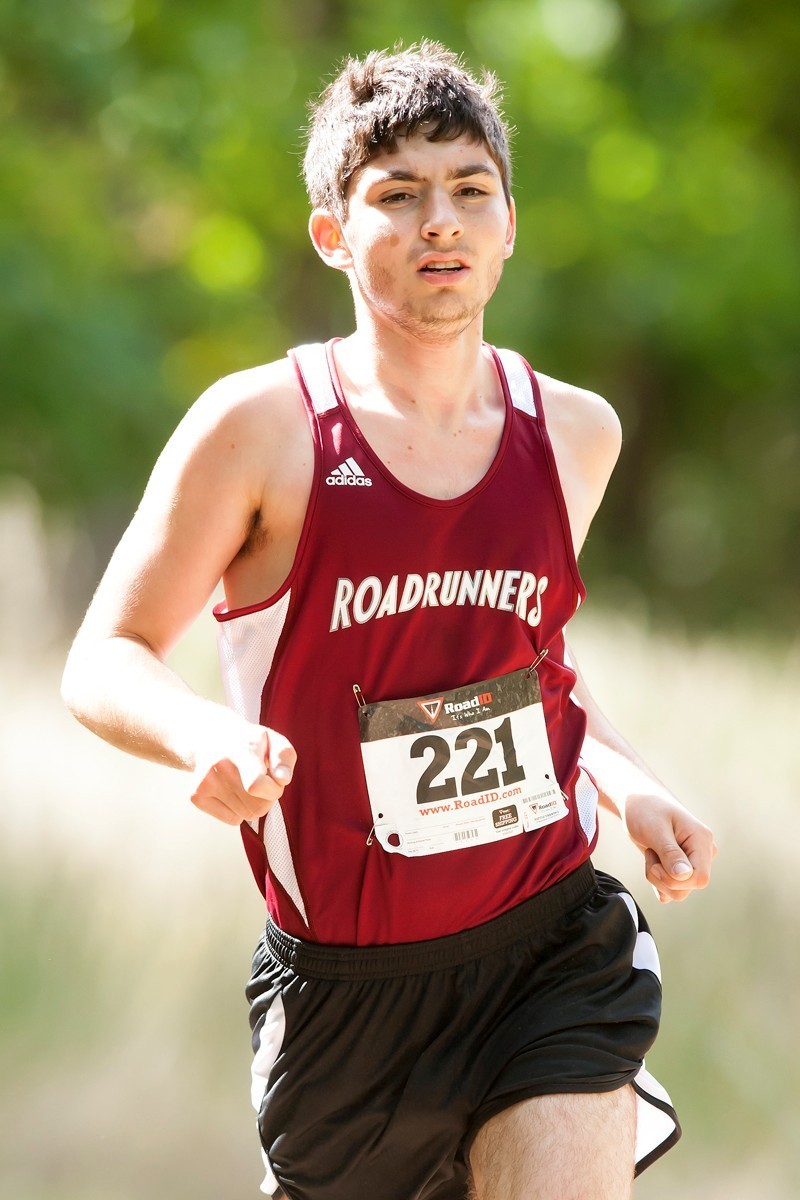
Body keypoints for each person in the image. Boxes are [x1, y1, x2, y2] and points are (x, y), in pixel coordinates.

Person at [62, 41, 716, 1200]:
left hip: (547, 941)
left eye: (470, 189)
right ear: (331, 233)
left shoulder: (573, 435)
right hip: (346, 994)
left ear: (510, 224)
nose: (440, 223)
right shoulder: (258, 429)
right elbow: (104, 658)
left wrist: (624, 781)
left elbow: (531, 661)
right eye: (397, 195)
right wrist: (201, 738)